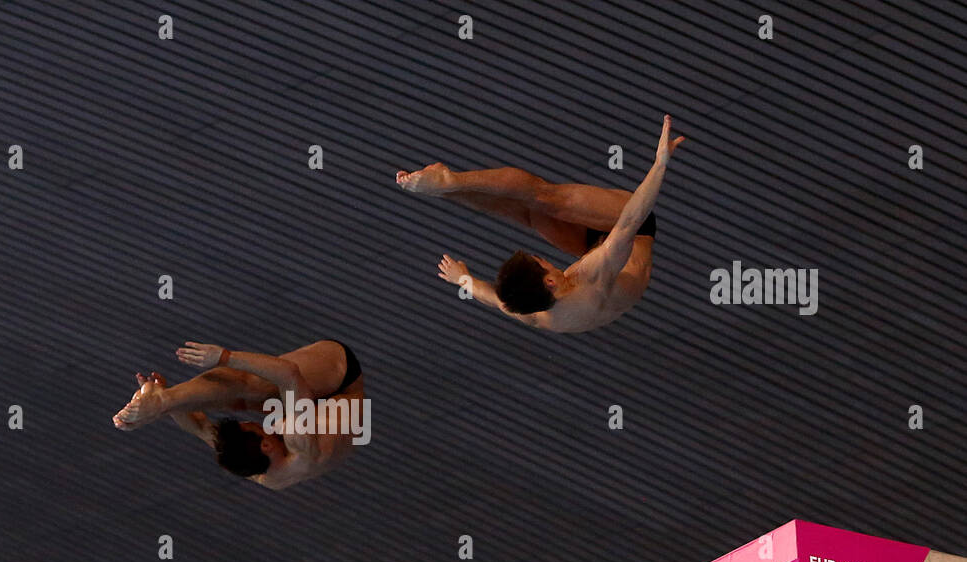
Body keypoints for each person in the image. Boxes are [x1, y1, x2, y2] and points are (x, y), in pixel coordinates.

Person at [397, 115, 685, 333]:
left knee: (530, 215)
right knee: (546, 199)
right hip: (635, 228)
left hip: (594, 245)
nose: (546, 258)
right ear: (549, 280)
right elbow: (630, 221)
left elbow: (494, 297)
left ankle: (446, 190)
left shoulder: (534, 312)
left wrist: (461, 278)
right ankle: (452, 181)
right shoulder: (594, 281)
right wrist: (660, 163)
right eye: (542, 261)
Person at [113, 339, 366, 490]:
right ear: (266, 444)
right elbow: (288, 373)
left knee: (238, 402)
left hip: (330, 417)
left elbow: (199, 426)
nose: (254, 423)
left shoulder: (265, 475)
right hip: (345, 383)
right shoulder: (298, 439)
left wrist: (166, 400)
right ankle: (163, 401)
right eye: (254, 428)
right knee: (251, 385)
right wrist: (225, 357)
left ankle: (163, 400)